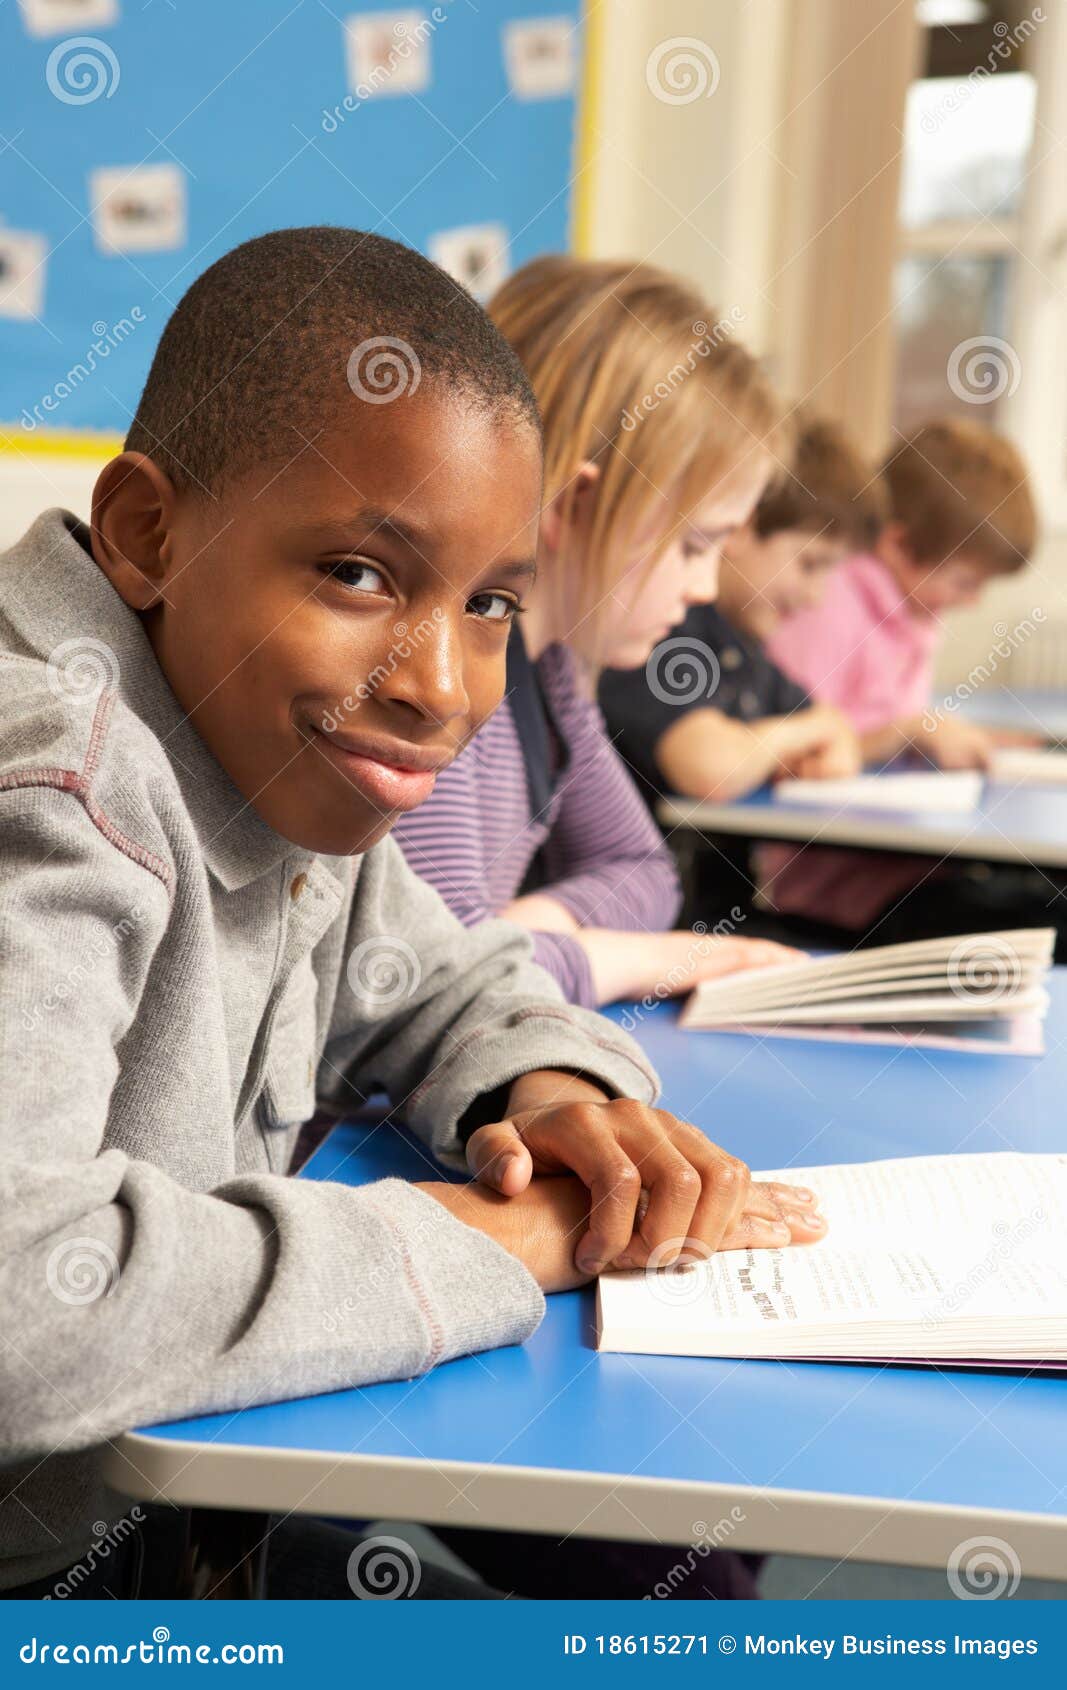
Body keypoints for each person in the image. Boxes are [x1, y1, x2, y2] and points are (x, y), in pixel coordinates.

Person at [0, 227, 823, 1599]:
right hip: (57, 1589)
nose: (439, 680)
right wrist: (488, 1235)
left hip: (165, 1514)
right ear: (149, 532)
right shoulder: (62, 781)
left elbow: (436, 973)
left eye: (492, 601)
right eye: (359, 575)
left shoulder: (259, 744)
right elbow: (26, 1293)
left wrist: (554, 1089)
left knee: (682, 1614)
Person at [394, 256, 799, 1009]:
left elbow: (644, 870)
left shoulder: (552, 675)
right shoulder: (440, 682)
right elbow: (434, 986)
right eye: (691, 545)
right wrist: (624, 960)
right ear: (575, 504)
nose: (704, 587)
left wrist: (528, 933)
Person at [599, 416, 885, 809]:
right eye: (809, 564)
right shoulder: (660, 626)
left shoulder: (743, 648)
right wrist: (797, 736)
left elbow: (834, 729)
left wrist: (815, 736)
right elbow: (709, 768)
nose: (815, 598)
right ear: (741, 527)